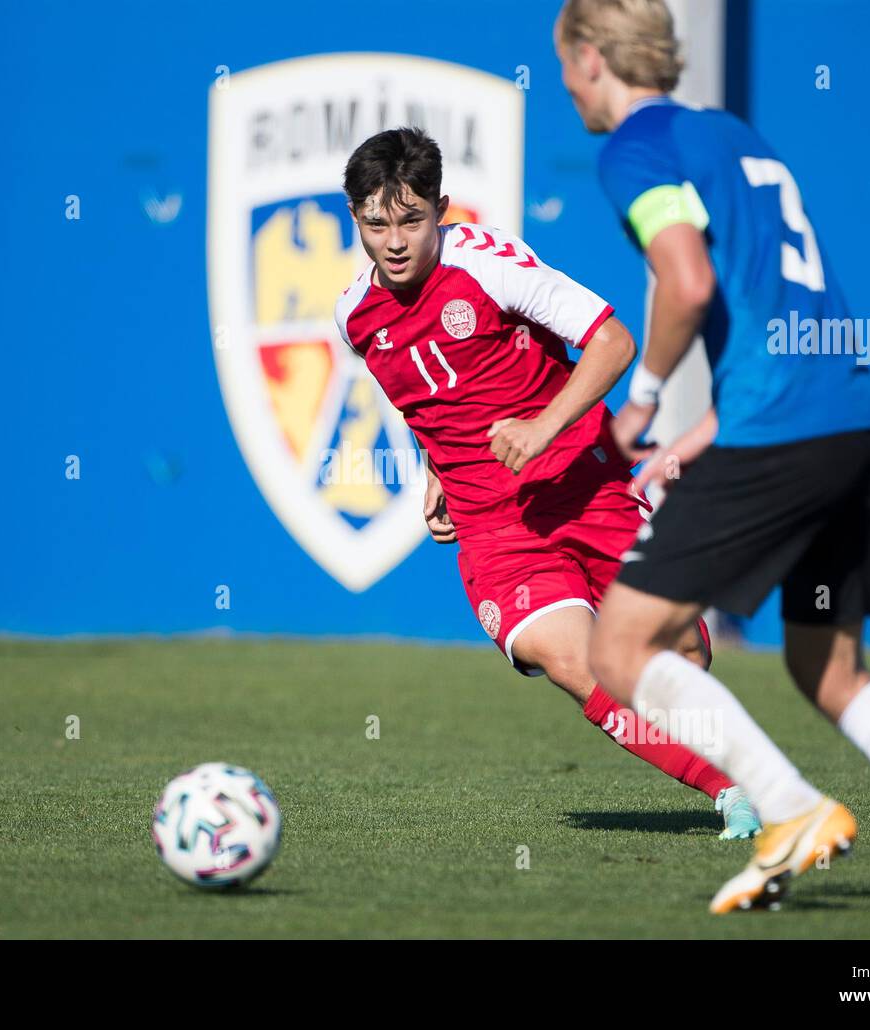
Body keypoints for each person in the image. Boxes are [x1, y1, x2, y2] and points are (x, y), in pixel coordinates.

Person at [554, 0, 870, 911]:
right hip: (852, 419)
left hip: (785, 432)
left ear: (592, 58)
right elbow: (789, 310)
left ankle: (787, 809)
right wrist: (703, 434)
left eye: (566, 63)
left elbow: (686, 284)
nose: (565, 83)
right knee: (831, 671)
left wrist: (643, 400)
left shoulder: (634, 151)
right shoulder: (734, 137)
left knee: (618, 645)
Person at [335, 126, 760, 840]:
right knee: (575, 661)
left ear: (441, 208)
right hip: (496, 533)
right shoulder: (357, 319)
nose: (396, 241)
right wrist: (438, 470)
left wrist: (543, 427)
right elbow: (425, 402)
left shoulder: (489, 265)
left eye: (412, 219)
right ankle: (730, 793)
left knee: (674, 656)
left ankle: (725, 745)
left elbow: (613, 342)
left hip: (586, 486)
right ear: (357, 220)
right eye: (377, 224)